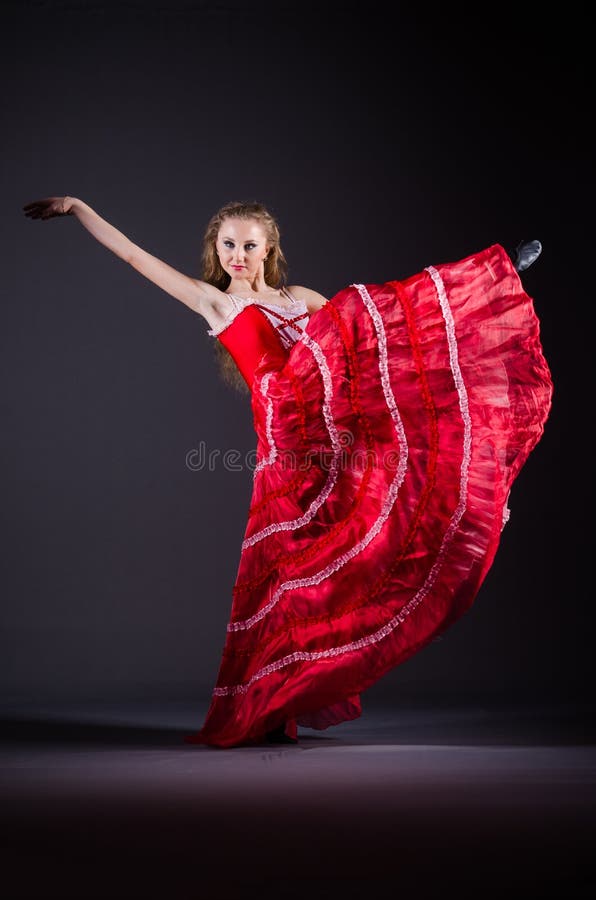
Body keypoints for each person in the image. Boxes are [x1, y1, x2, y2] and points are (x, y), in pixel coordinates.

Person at [23, 195, 553, 748]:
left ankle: (485, 290)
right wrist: (79, 208)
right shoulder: (214, 304)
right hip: (286, 449)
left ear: (268, 249)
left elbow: (373, 344)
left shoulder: (299, 300)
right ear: (216, 249)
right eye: (228, 245)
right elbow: (134, 256)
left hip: (331, 436)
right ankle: (270, 704)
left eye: (249, 246)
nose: (238, 256)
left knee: (368, 328)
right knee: (287, 580)